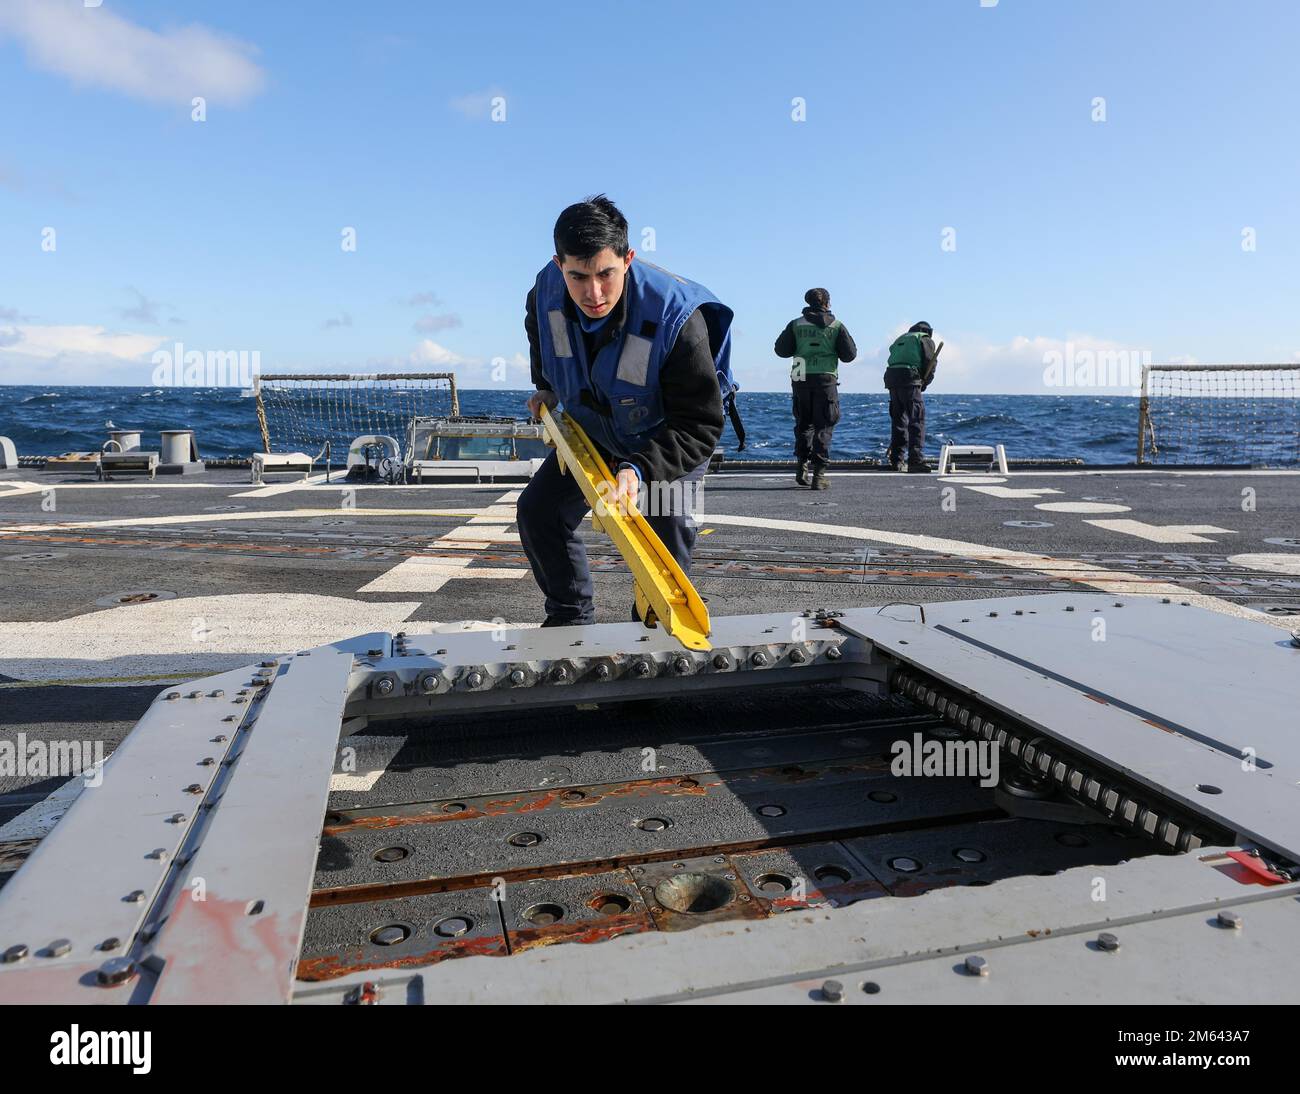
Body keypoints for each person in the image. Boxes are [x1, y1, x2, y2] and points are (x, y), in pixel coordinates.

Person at [517, 194, 734, 627]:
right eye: (577, 277)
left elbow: (700, 424)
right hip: (596, 425)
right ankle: (570, 617)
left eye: (605, 274)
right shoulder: (545, 291)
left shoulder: (677, 320)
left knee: (663, 543)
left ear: (628, 258)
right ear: (559, 265)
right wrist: (547, 386)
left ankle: (651, 638)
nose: (593, 293)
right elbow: (539, 331)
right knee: (538, 511)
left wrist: (637, 470)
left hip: (666, 435)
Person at [773, 288, 857, 490]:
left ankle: (801, 467)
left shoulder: (796, 324)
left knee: (803, 423)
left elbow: (781, 350)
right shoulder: (836, 326)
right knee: (824, 424)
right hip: (826, 377)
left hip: (800, 374)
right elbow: (849, 355)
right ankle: (819, 475)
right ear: (827, 303)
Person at [883, 321, 939, 473]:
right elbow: (930, 363)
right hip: (910, 379)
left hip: (892, 379)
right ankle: (915, 460)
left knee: (899, 421)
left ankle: (896, 460)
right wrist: (924, 383)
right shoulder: (924, 338)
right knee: (916, 420)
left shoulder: (901, 338)